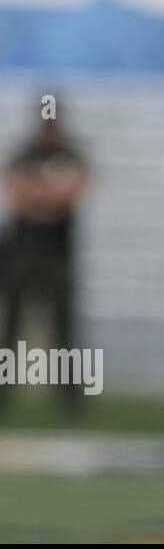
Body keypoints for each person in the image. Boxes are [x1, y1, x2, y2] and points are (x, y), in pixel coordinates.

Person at [0, 99, 89, 415]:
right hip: (22, 254)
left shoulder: (70, 154)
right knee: (11, 328)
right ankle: (4, 392)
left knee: (64, 329)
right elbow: (18, 193)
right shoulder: (24, 153)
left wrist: (40, 193)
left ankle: (70, 399)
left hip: (57, 255)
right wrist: (48, 193)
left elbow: (72, 192)